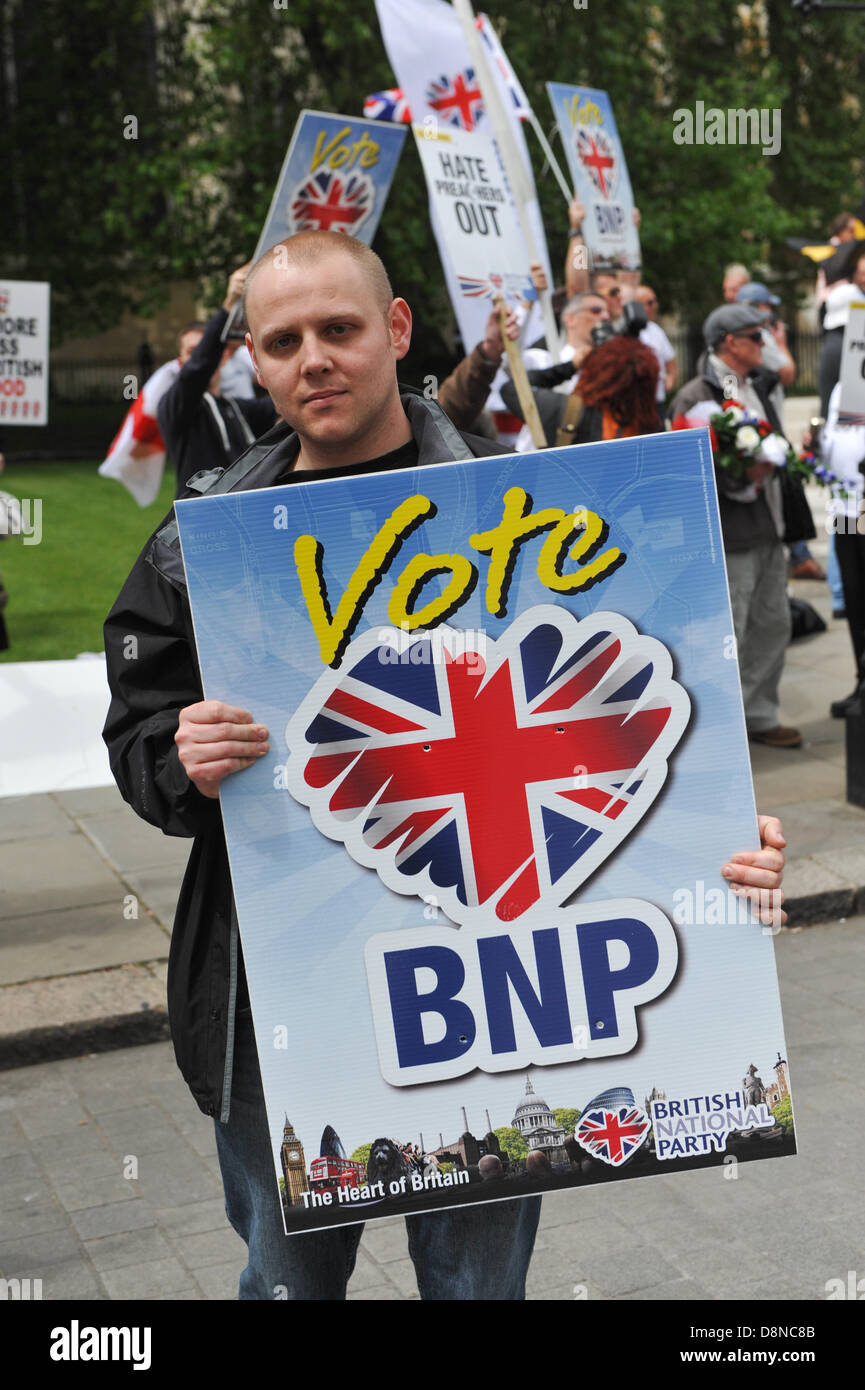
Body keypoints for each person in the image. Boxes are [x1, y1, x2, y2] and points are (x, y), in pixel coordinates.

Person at [103, 230, 788, 1301]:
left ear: (396, 330)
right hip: (282, 1004)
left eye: (339, 328)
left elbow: (666, 747)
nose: (313, 359)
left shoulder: (552, 508)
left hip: (501, 1014)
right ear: (254, 357)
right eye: (282, 341)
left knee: (477, 1293)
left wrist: (720, 855)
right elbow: (136, 730)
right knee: (283, 1285)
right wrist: (178, 756)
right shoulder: (208, 543)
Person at [670, 303, 805, 749]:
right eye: (755, 335)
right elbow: (688, 466)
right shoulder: (695, 395)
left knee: (772, 622)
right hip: (731, 534)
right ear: (730, 342)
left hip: (767, 526)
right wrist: (740, 478)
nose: (763, 343)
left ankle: (759, 716)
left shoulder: (751, 386)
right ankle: (721, 729)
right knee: (731, 632)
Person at [158, 264, 276, 495]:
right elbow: (198, 369)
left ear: (224, 357)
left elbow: (286, 397)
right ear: (180, 362)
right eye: (191, 352)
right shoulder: (175, 408)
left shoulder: (236, 408)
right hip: (202, 522)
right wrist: (229, 306)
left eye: (205, 349)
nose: (201, 357)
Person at [502, 333, 661, 447]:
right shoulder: (653, 432)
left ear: (595, 372)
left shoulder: (566, 410)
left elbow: (512, 389)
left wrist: (570, 367)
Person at [635, 285, 677, 422]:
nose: (655, 306)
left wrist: (670, 379)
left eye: (654, 302)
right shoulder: (628, 330)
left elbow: (670, 359)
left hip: (656, 403)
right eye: (650, 302)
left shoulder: (656, 330)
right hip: (635, 405)